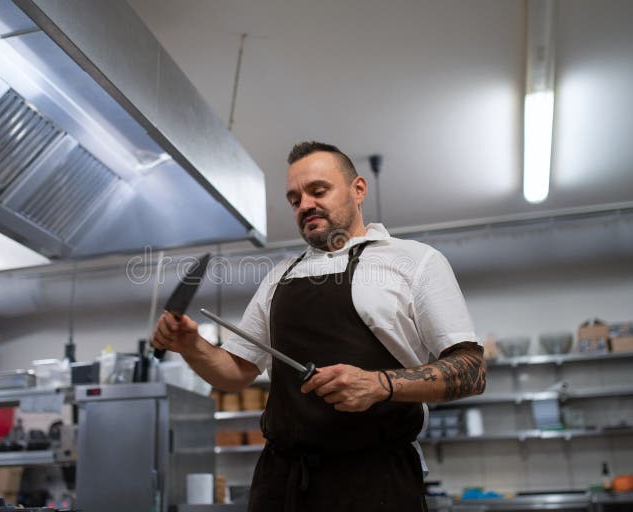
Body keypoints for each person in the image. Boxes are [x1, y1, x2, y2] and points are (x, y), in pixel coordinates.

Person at [152, 141, 486, 511]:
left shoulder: (414, 262)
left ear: (358, 189)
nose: (304, 204)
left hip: (373, 482)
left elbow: (471, 370)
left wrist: (381, 384)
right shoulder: (280, 276)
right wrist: (192, 345)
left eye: (318, 190)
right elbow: (237, 373)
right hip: (282, 484)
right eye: (294, 199)